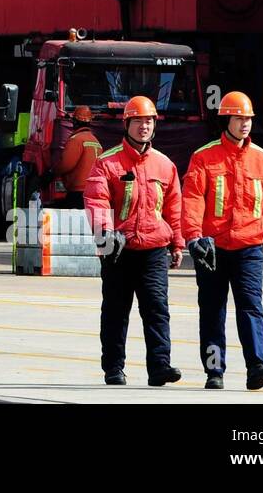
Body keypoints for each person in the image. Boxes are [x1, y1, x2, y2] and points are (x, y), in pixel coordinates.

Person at [182, 91, 263, 391]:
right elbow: (193, 200)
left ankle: (257, 366)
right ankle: (214, 371)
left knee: (251, 306)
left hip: (250, 246)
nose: (244, 124)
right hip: (212, 248)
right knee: (212, 309)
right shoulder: (203, 157)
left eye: (248, 119)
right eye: (239, 119)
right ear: (226, 120)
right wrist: (193, 238)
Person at [83, 95, 185, 387]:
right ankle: (114, 368)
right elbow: (96, 200)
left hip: (153, 249)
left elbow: (173, 208)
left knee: (156, 308)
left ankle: (160, 366)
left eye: (149, 121)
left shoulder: (165, 166)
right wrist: (105, 235)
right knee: (116, 311)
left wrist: (177, 243)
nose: (144, 126)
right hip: (119, 250)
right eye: (139, 120)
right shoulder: (107, 163)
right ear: (126, 124)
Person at [47, 105, 100, 208]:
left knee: (70, 221)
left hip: (77, 192)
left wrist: (51, 172)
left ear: (75, 122)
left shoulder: (76, 139)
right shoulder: (95, 141)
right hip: (94, 190)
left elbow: (66, 164)